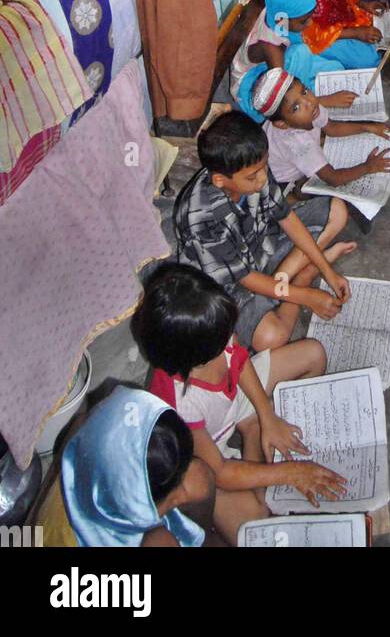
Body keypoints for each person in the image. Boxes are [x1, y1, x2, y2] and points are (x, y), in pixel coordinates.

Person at [133, 263, 348, 545]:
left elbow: (241, 363)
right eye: (223, 340)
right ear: (195, 356)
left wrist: (266, 414)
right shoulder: (178, 402)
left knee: (313, 354)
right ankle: (254, 436)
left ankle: (254, 429)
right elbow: (220, 472)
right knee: (256, 526)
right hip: (212, 450)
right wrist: (292, 472)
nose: (231, 340)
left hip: (238, 401)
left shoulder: (213, 331)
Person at [174, 111, 355, 354]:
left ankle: (291, 276)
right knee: (272, 338)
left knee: (338, 210)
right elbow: (246, 277)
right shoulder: (202, 219)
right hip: (234, 282)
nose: (262, 180)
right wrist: (307, 297)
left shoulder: (253, 164)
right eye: (252, 176)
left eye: (264, 167)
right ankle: (299, 277)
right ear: (220, 180)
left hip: (262, 244)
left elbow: (286, 217)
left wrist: (327, 271)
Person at [35, 386, 217, 547]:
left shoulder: (91, 437)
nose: (179, 497)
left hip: (115, 506)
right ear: (137, 505)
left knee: (200, 478)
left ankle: (206, 538)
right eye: (172, 498)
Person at [231, 0, 378, 120]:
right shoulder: (271, 49)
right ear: (281, 19)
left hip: (282, 62)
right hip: (254, 83)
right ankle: (308, 98)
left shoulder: (279, 15)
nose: (309, 23)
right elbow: (280, 99)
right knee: (302, 53)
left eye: (310, 16)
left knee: (335, 67)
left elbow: (306, 36)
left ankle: (306, 90)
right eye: (304, 21)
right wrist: (324, 101)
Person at [251, 66, 390, 190]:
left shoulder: (309, 110)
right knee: (308, 190)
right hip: (280, 180)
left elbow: (332, 127)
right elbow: (333, 179)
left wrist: (367, 127)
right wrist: (368, 167)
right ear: (282, 124)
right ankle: (292, 197)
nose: (309, 102)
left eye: (304, 91)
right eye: (296, 107)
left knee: (322, 139)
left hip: (285, 152)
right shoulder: (298, 142)